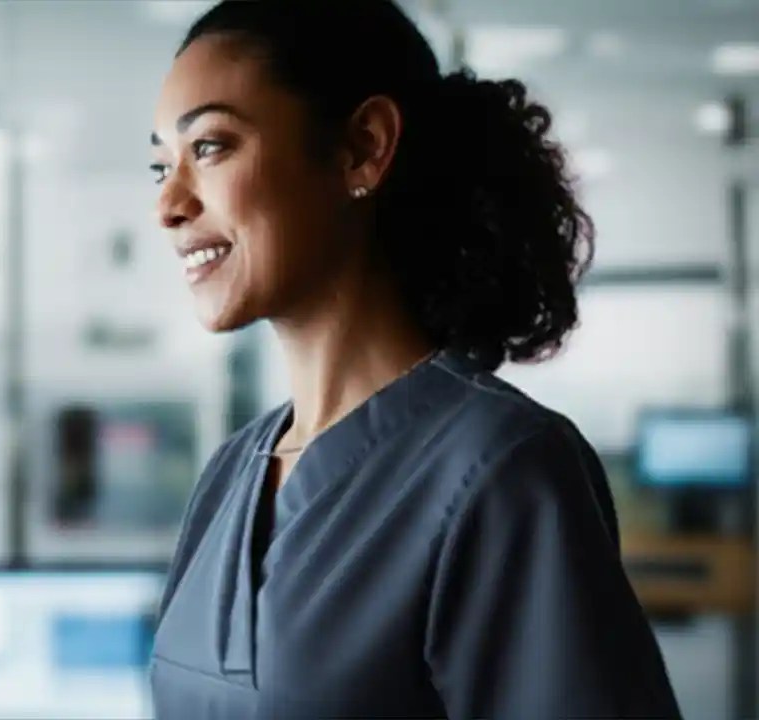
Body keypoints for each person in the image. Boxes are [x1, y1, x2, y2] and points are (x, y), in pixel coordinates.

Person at [146, 1, 682, 718]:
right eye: (160, 165)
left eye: (210, 147)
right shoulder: (232, 475)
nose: (170, 204)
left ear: (363, 147)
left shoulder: (501, 468)